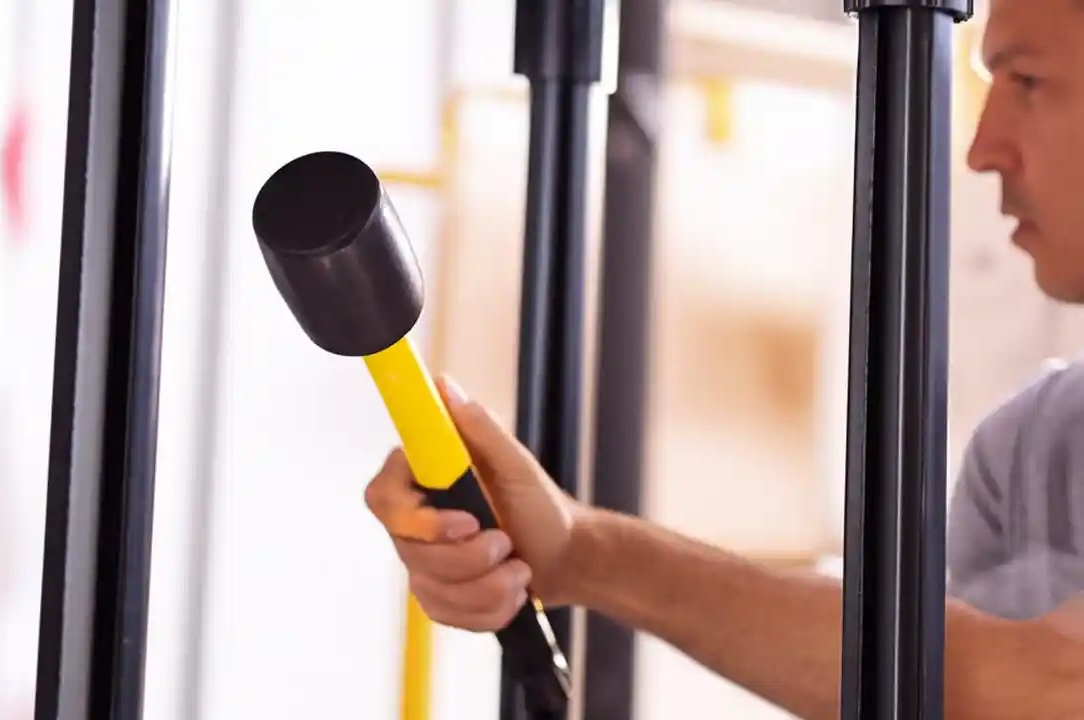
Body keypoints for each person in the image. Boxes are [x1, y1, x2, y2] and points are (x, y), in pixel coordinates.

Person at [362, 0, 1084, 717]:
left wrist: (597, 553)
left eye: (1026, 82)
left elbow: (1046, 687)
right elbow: (931, 685)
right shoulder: (1028, 452)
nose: (984, 149)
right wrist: (575, 547)